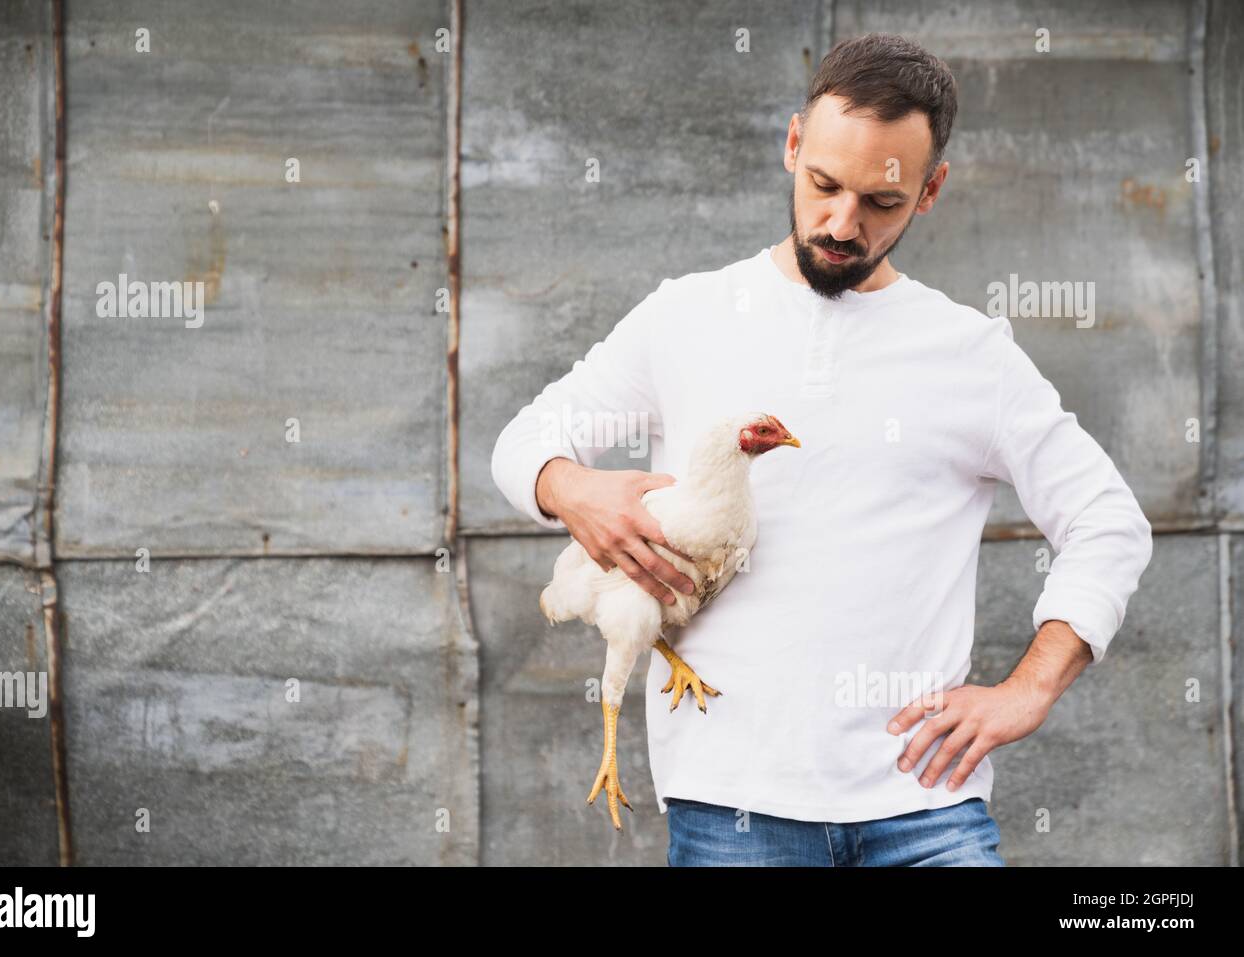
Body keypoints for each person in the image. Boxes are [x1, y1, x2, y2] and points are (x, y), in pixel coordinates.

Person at [490, 33, 1153, 866]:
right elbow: (524, 441)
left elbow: (1108, 522)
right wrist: (572, 489)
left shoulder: (969, 352)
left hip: (926, 810)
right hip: (732, 809)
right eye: (823, 185)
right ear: (793, 144)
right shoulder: (685, 316)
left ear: (931, 189)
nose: (842, 224)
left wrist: (1029, 689)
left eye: (881, 202)